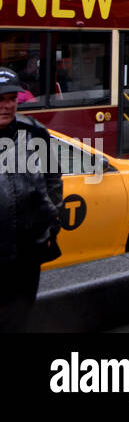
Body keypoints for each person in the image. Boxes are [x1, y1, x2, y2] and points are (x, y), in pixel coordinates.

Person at [0, 68, 62, 331]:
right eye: (0, 99)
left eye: (12, 98)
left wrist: (51, 221)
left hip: (28, 249)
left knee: (20, 317)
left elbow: (53, 180)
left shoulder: (34, 132)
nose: (7, 105)